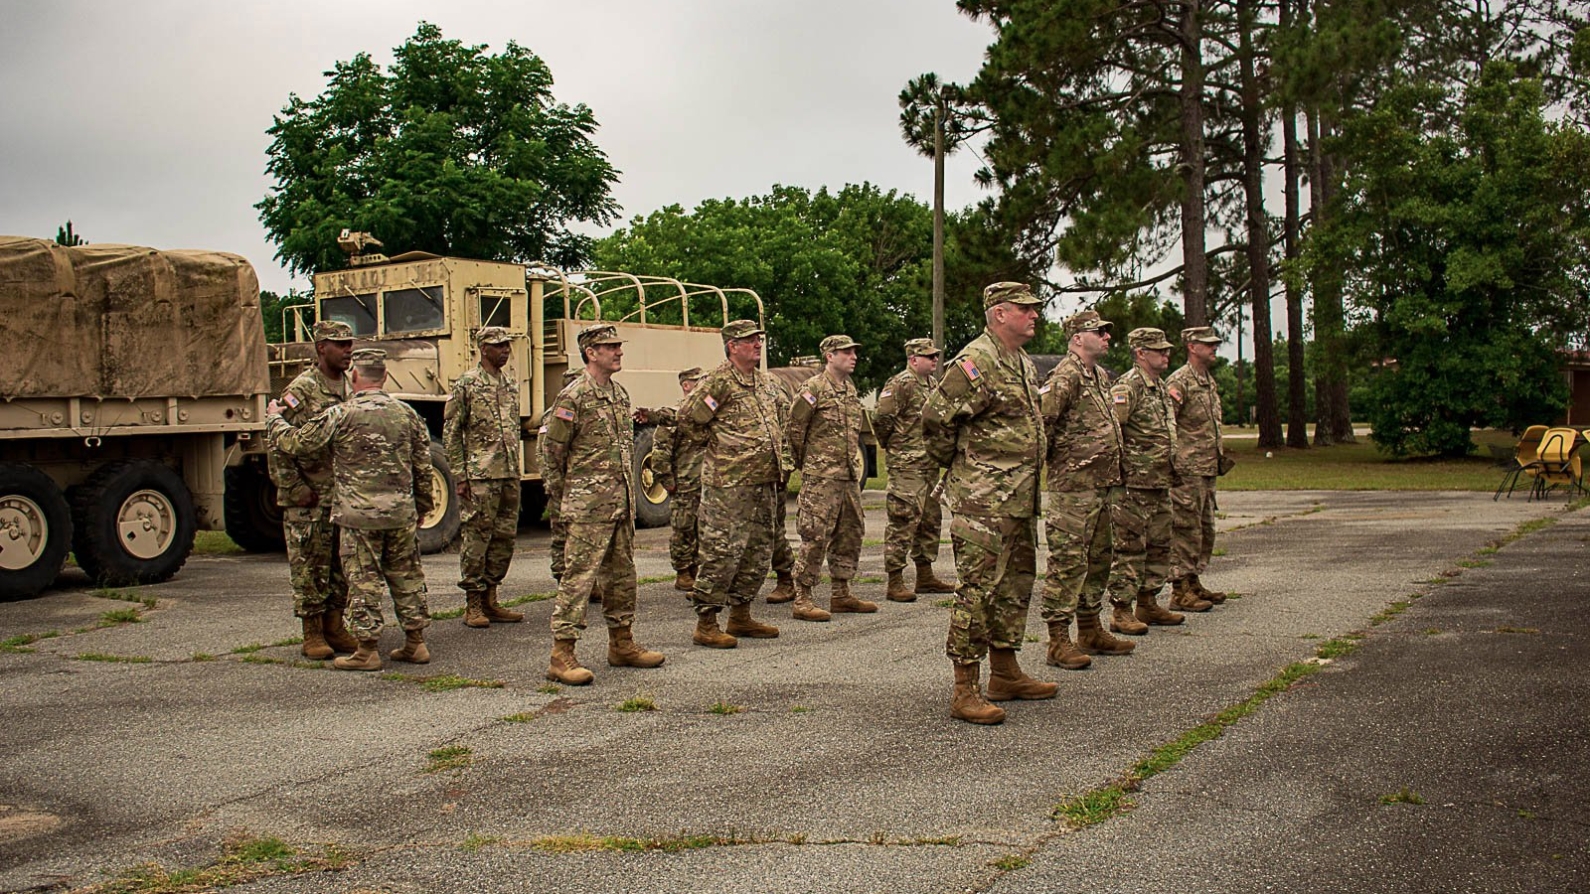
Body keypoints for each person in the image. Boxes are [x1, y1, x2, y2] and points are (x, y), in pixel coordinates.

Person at [923, 282, 1059, 726]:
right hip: (983, 500)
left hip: (1018, 498)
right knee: (978, 590)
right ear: (999, 314)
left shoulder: (1019, 361)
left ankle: (1005, 671)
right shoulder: (977, 360)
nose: (1034, 314)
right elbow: (935, 418)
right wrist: (963, 469)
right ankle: (966, 687)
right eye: (1025, 308)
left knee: (1015, 585)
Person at [265, 348, 435, 672]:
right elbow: (423, 466)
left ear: (355, 377)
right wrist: (423, 505)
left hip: (360, 517)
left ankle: (367, 650)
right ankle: (416, 643)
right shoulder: (407, 414)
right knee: (407, 578)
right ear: (384, 377)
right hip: (400, 514)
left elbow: (296, 443)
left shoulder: (342, 413)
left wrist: (274, 418)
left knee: (363, 582)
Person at [541, 325, 665, 685]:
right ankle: (561, 654)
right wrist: (562, 499)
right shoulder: (573, 397)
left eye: (617, 346)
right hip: (587, 508)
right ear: (591, 352)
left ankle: (621, 643)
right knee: (578, 580)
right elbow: (553, 454)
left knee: (623, 577)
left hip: (620, 504)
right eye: (610, 347)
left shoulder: (619, 394)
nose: (618, 352)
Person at [678, 319, 789, 648]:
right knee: (722, 551)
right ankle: (707, 621)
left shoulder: (766, 382)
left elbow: (780, 421)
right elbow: (689, 420)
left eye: (759, 339)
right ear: (732, 346)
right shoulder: (718, 382)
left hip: (764, 481)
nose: (758, 344)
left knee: (758, 549)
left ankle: (740, 614)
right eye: (750, 340)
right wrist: (721, 449)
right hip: (729, 484)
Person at [1038, 310, 1134, 667]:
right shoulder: (1065, 376)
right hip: (1073, 489)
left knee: (1098, 559)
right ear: (1078, 337)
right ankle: (1057, 640)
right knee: (1068, 562)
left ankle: (1090, 628)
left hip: (1102, 486)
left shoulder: (1099, 377)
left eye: (1108, 332)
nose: (1108, 337)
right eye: (1100, 331)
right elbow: (1042, 425)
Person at [267, 320, 357, 659]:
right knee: (309, 565)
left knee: (340, 565)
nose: (348, 350)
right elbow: (277, 441)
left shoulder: (349, 387)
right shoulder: (302, 389)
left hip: (342, 496)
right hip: (310, 498)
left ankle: (336, 625)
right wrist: (293, 486)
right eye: (340, 344)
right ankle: (313, 632)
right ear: (321, 348)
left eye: (349, 343)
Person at [1103, 328, 1189, 636]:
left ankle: (1148, 601)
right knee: (1129, 548)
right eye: (1159, 350)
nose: (1166, 354)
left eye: (1166, 350)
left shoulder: (1160, 387)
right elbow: (1114, 431)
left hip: (1159, 480)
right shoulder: (1128, 386)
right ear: (1141, 353)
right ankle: (1121, 609)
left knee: (1159, 544)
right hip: (1133, 484)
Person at [444, 326, 525, 629]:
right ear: (483, 349)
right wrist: (460, 474)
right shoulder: (467, 383)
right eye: (498, 346)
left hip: (508, 472)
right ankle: (473, 602)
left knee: (504, 537)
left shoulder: (510, 384)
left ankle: (492, 597)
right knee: (477, 537)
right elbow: (452, 432)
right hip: (480, 474)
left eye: (507, 345)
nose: (505, 350)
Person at [787, 335, 872, 621]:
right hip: (821, 475)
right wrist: (807, 465)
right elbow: (794, 429)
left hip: (847, 474)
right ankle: (802, 597)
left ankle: (841, 593)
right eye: (846, 352)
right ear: (829, 356)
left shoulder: (849, 389)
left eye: (853, 351)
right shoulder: (813, 388)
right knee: (814, 534)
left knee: (851, 530)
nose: (853, 356)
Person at [874, 337, 955, 603]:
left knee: (930, 520)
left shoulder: (933, 384)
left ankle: (925, 575)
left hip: (929, 463)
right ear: (913, 360)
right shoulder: (900, 384)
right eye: (929, 356)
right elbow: (882, 419)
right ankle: (895, 579)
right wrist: (894, 446)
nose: (935, 360)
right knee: (903, 519)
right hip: (907, 465)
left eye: (935, 356)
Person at [1166, 326, 1227, 610]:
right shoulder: (1180, 381)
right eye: (1208, 343)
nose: (1215, 347)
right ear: (1192, 346)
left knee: (1203, 527)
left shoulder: (1206, 380)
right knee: (1184, 528)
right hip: (1187, 470)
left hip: (1206, 468)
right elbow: (1167, 424)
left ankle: (1193, 581)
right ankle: (1179, 589)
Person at [652, 367, 710, 592]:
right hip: (684, 483)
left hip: (705, 482)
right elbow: (661, 451)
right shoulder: (672, 415)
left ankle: (698, 568)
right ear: (686, 385)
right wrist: (666, 479)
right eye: (698, 382)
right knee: (683, 527)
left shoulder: (703, 414)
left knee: (703, 528)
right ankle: (683, 571)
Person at [537, 367, 582, 584]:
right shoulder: (556, 413)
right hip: (561, 484)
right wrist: (554, 484)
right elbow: (546, 451)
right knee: (561, 534)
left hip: (581, 486)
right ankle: (562, 577)